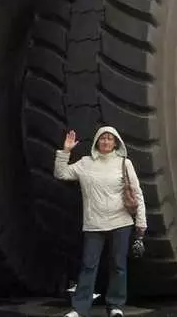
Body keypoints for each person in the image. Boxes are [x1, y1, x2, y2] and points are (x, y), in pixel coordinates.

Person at [54, 126, 147, 317]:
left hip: (121, 223)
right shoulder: (85, 163)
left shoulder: (124, 163)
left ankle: (115, 306)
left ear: (116, 143)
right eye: (102, 138)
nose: (106, 141)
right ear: (97, 141)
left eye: (110, 139)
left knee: (118, 265)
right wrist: (66, 151)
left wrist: (141, 221)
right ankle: (80, 309)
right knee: (88, 265)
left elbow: (137, 194)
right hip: (94, 224)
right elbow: (61, 173)